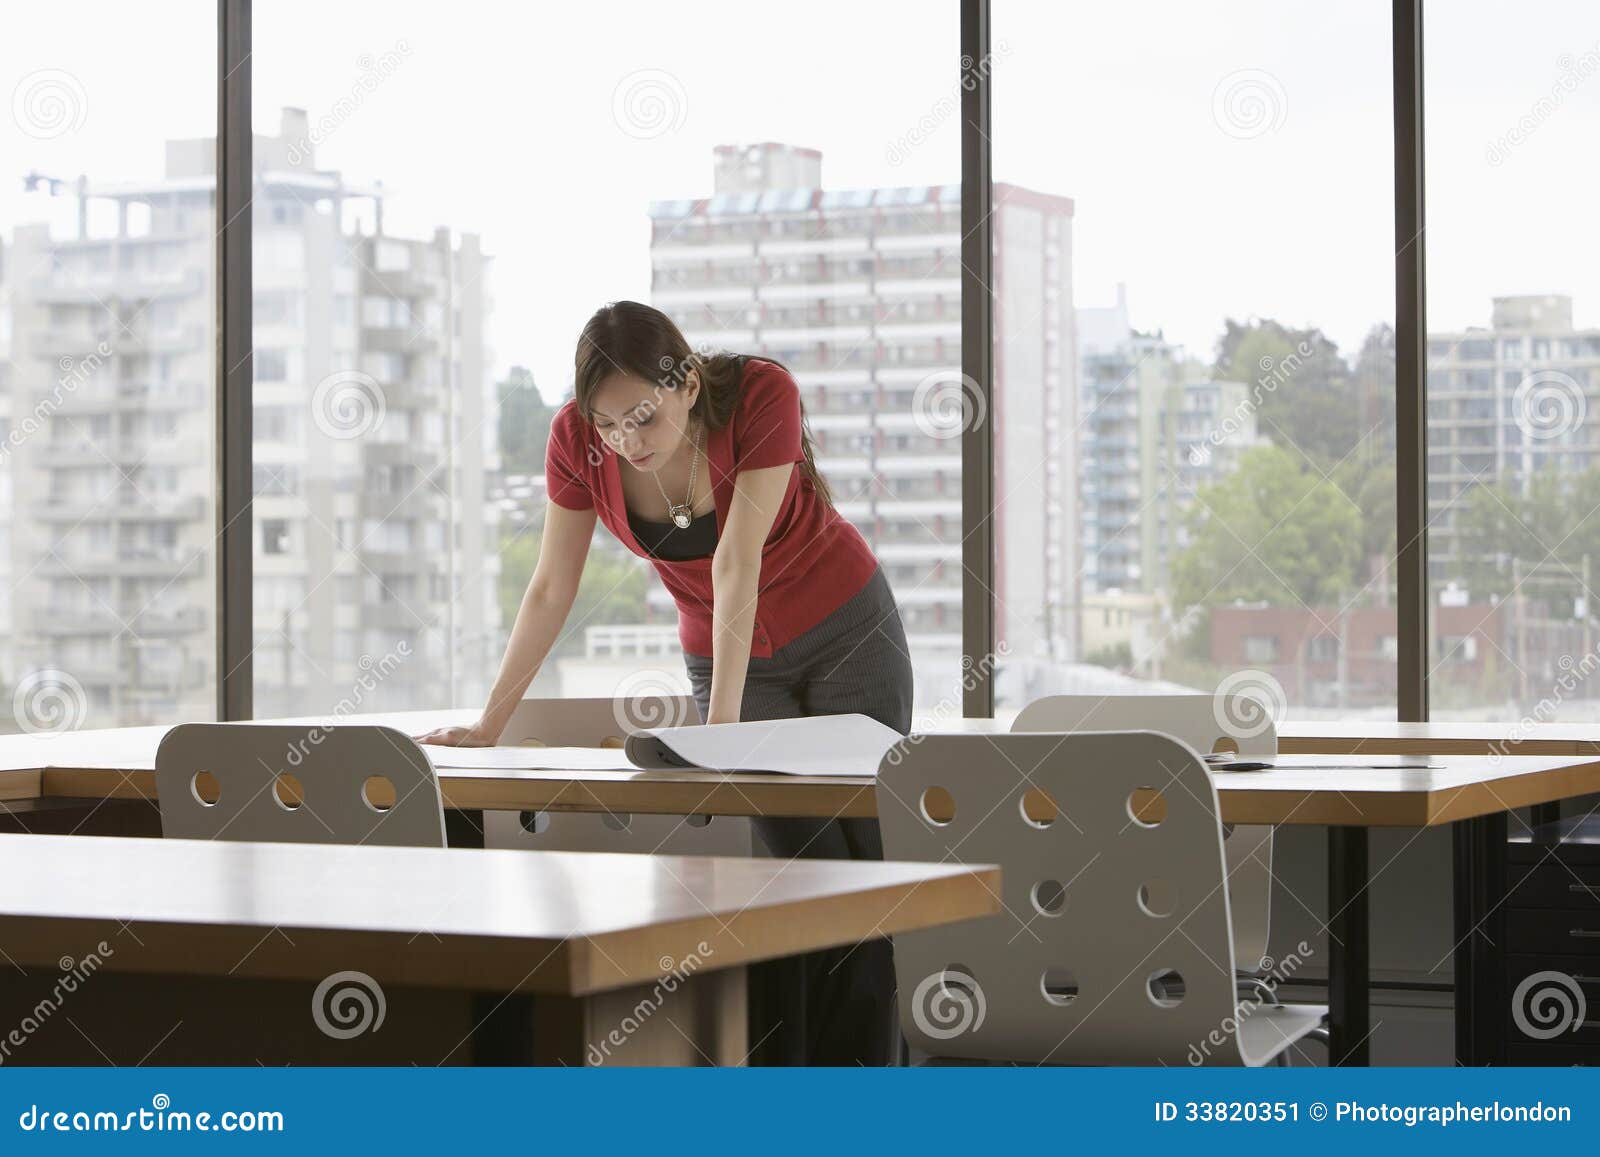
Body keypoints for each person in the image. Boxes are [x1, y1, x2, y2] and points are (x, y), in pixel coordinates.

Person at [418, 300, 914, 1065]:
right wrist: (490, 723)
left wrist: (717, 734)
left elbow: (736, 561)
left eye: (641, 418)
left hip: (849, 629)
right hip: (728, 654)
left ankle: (864, 1099)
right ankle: (785, 1097)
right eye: (607, 423)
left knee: (870, 875)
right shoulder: (575, 443)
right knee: (795, 882)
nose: (624, 442)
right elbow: (552, 586)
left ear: (685, 382)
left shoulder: (759, 394)